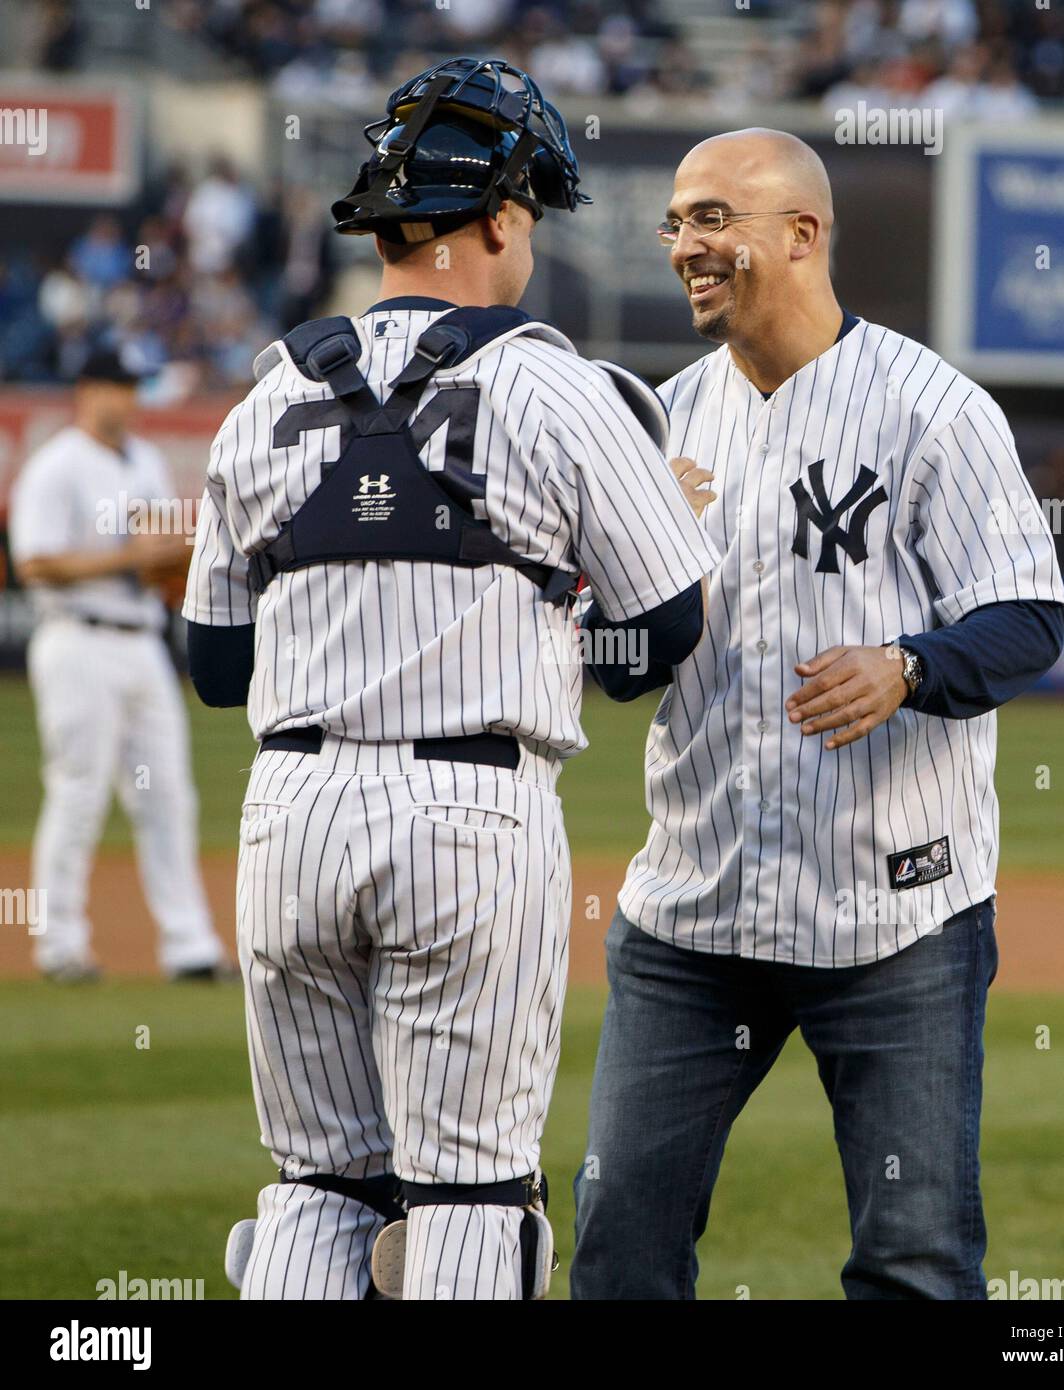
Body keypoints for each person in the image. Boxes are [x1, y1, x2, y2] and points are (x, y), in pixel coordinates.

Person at [182, 57, 719, 1301]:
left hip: (289, 815)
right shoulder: (551, 380)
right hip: (469, 813)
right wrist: (547, 611)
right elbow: (668, 629)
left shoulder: (264, 395)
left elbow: (213, 665)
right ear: (496, 218)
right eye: (527, 211)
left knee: (317, 1186)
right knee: (471, 1193)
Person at [570, 128, 1064, 1300]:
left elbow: (1025, 617)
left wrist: (906, 663)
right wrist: (605, 614)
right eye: (677, 222)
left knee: (911, 1262)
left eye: (712, 219)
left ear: (801, 233)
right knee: (618, 1245)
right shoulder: (657, 425)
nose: (685, 245)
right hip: (690, 915)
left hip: (891, 915)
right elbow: (626, 667)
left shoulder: (928, 409)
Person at [9, 346, 229, 982]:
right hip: (76, 637)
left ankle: (189, 946)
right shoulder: (56, 465)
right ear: (88, 390)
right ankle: (60, 946)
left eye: (135, 386)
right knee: (78, 792)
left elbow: (157, 555)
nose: (128, 398)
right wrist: (132, 557)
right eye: (118, 385)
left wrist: (172, 561)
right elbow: (35, 562)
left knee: (168, 796)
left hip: (141, 641)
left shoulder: (145, 460)